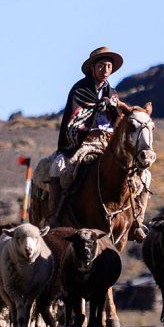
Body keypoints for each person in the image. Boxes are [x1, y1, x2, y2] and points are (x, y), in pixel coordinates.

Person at [48, 47, 124, 222]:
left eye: (109, 67)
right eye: (101, 66)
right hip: (83, 142)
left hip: (107, 142)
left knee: (137, 174)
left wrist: (112, 107)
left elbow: (118, 119)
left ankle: (136, 219)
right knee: (57, 168)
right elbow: (72, 121)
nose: (105, 71)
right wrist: (97, 107)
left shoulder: (112, 94)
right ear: (92, 68)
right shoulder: (80, 90)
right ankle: (55, 214)